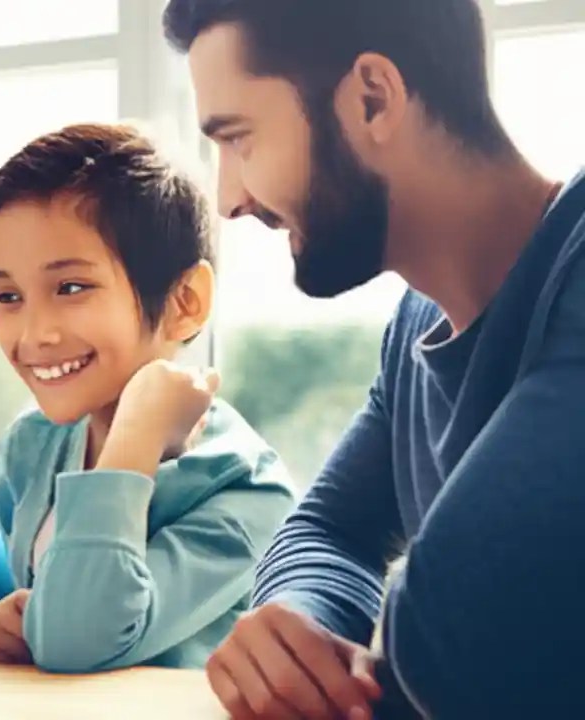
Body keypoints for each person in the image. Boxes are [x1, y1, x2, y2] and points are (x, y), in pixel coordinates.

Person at [164, 0, 585, 717]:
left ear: (373, 98)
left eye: (240, 140)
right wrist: (301, 635)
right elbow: (328, 530)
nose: (229, 198)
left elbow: (461, 627)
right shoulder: (415, 332)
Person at [0, 123, 295, 673]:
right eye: (8, 296)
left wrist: (135, 441)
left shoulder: (247, 491)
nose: (34, 334)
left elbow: (82, 642)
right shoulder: (26, 453)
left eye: (71, 288)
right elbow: (47, 634)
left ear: (185, 302)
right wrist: (1, 629)